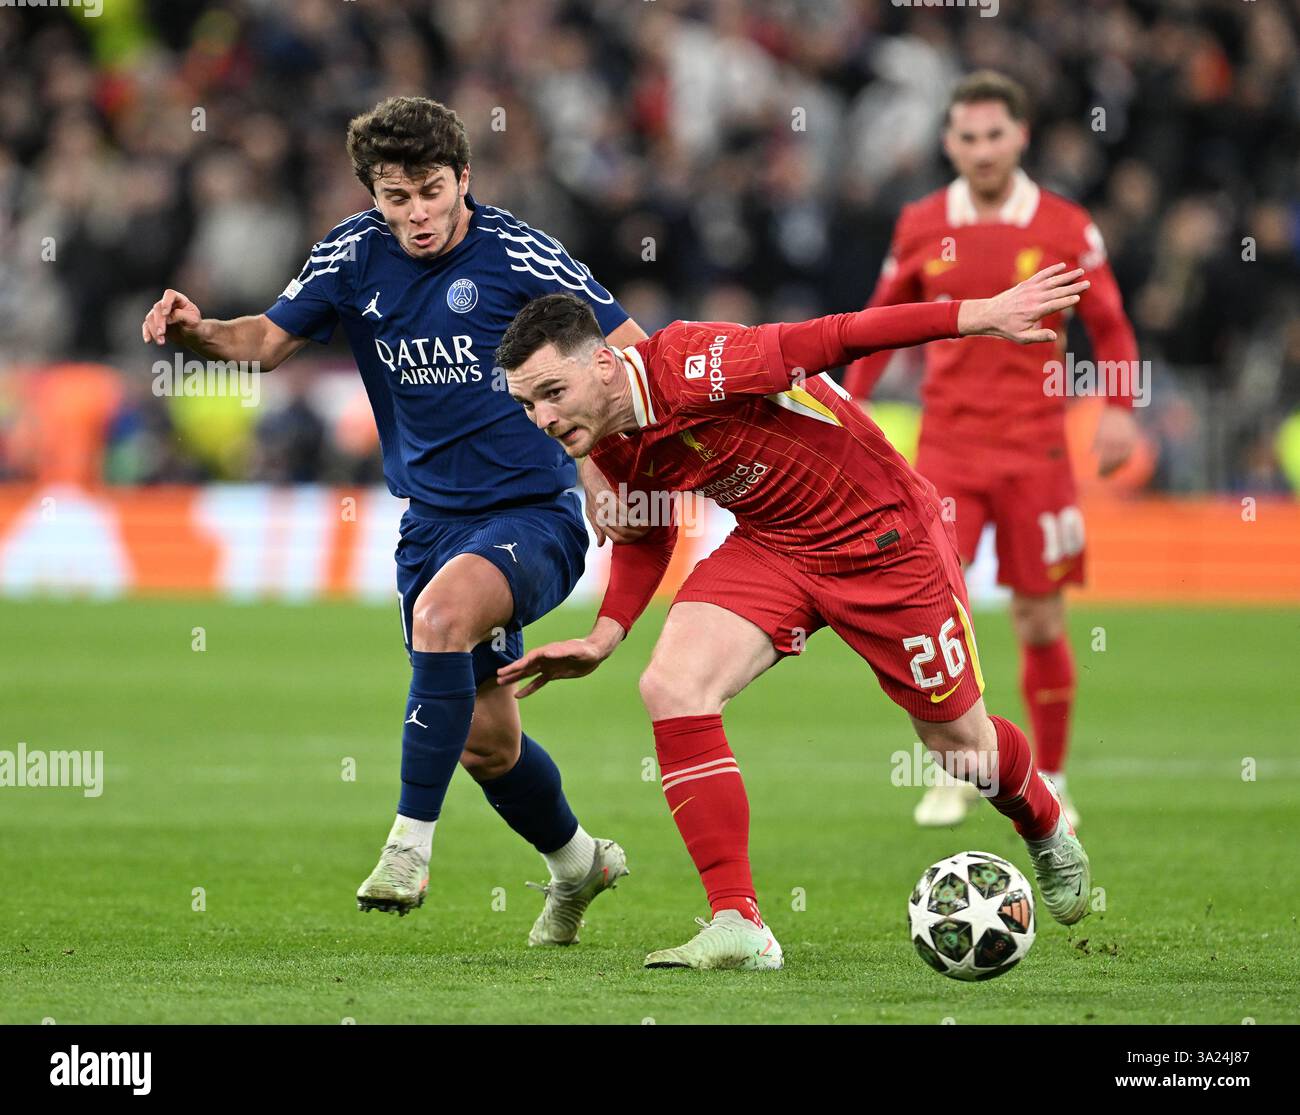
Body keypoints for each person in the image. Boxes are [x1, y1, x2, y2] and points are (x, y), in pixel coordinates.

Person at [142, 96, 644, 946]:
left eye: (431, 191)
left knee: (441, 618)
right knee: (487, 744)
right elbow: (261, 342)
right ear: (372, 193)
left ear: (464, 180)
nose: (415, 213)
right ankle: (577, 861)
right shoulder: (350, 254)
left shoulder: (519, 251)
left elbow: (627, 350)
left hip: (534, 514)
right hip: (430, 525)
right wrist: (194, 333)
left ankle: (408, 846)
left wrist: (602, 463)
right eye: (394, 195)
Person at [494, 265, 1093, 971]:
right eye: (529, 404)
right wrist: (606, 632)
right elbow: (646, 529)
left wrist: (977, 313)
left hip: (884, 539)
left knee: (960, 746)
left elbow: (838, 335)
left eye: (552, 393)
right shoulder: (606, 437)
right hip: (776, 545)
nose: (543, 418)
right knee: (673, 686)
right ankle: (739, 921)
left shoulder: (692, 363)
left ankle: (1045, 824)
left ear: (601, 364)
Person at [845, 71, 1141, 828]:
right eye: (967, 137)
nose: (981, 150)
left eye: (994, 135)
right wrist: (847, 403)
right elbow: (880, 322)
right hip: (947, 447)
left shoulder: (1066, 225)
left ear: (1021, 136)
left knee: (1040, 620)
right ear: (949, 142)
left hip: (1037, 451)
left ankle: (1057, 775)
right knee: (935, 616)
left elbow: (1108, 323)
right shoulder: (919, 222)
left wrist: (1118, 409)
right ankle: (960, 766)